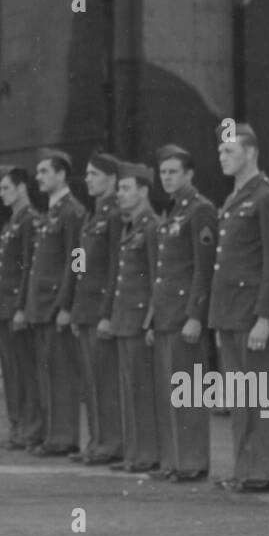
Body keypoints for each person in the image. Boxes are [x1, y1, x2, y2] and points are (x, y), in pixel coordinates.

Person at [207, 123, 269, 494]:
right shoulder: (235, 198)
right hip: (230, 312)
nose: (222, 157)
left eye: (229, 151)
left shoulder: (267, 197)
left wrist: (265, 316)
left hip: (252, 313)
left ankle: (265, 469)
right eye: (220, 152)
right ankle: (244, 467)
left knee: (260, 393)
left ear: (250, 152)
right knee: (240, 397)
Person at [146, 145, 217, 483]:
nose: (167, 178)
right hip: (166, 314)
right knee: (169, 392)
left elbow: (203, 268)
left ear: (189, 174)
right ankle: (174, 460)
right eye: (163, 173)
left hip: (183, 314)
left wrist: (195, 315)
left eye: (173, 172)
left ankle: (192, 461)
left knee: (187, 392)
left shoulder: (200, 210)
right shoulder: (172, 212)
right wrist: (152, 319)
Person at [23, 149, 87, 456]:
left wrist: (66, 305)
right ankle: (52, 434)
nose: (39, 177)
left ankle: (63, 436)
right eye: (37, 172)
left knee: (61, 375)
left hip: (55, 306)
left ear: (61, 175)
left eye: (44, 171)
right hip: (42, 306)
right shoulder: (52, 212)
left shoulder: (72, 212)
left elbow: (77, 260)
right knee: (48, 373)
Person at [99, 162, 159, 473]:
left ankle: (146, 453)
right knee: (129, 390)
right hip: (125, 318)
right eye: (119, 188)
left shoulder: (151, 226)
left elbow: (156, 277)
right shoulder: (130, 226)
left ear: (144, 191)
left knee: (141, 390)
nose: (119, 194)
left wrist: (151, 320)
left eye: (126, 189)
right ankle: (134, 453)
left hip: (138, 319)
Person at [71, 153, 124, 465]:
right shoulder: (92, 216)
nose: (88, 179)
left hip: (100, 307)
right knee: (91, 382)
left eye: (94, 174)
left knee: (105, 380)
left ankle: (111, 442)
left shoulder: (114, 214)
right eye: (87, 174)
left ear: (112, 179)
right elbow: (80, 266)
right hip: (86, 307)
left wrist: (107, 312)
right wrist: (76, 306)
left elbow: (116, 266)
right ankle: (96, 440)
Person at [0, 168, 42, 451]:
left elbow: (27, 268)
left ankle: (29, 429)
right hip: (4, 308)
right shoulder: (12, 223)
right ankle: (16, 427)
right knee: (11, 373)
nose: (1, 194)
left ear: (22, 188)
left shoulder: (30, 221)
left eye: (6, 188)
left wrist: (21, 307)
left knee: (24, 372)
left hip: (15, 307)